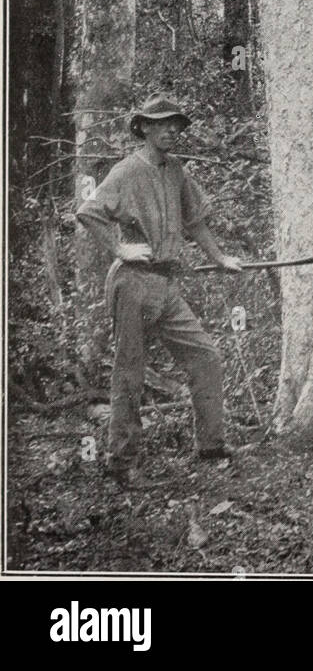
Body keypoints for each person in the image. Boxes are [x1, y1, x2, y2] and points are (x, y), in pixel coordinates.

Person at [76, 95, 243, 487]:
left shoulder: (176, 170)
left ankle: (211, 445)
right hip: (133, 282)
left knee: (205, 356)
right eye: (164, 123)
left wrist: (220, 258)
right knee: (129, 372)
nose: (172, 130)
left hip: (166, 284)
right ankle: (122, 464)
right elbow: (88, 212)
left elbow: (195, 221)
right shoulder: (127, 170)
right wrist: (120, 249)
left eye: (176, 125)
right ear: (145, 128)